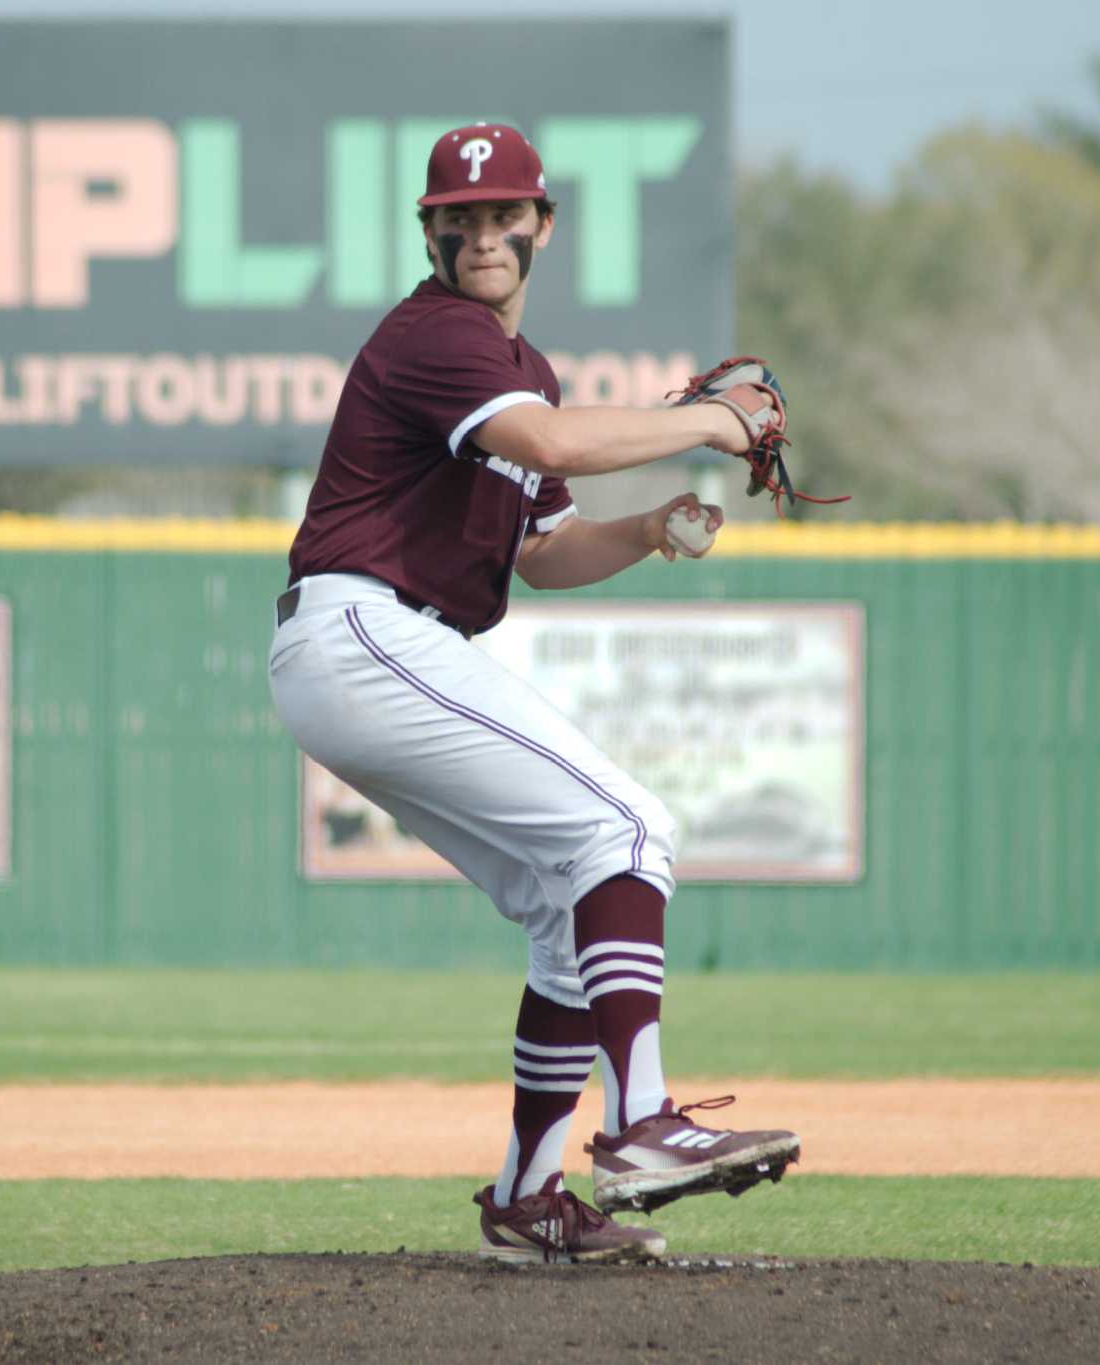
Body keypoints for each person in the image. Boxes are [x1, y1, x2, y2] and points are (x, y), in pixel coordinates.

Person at [267, 123, 798, 1264]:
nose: (481, 235)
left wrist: (650, 529)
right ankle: (644, 1126)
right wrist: (713, 423)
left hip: (377, 647)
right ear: (429, 234)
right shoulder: (438, 339)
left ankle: (527, 1201)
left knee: (572, 897)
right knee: (629, 826)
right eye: (455, 219)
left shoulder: (522, 371)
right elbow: (550, 438)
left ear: (541, 226)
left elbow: (544, 550)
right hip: (362, 629)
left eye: (504, 215)